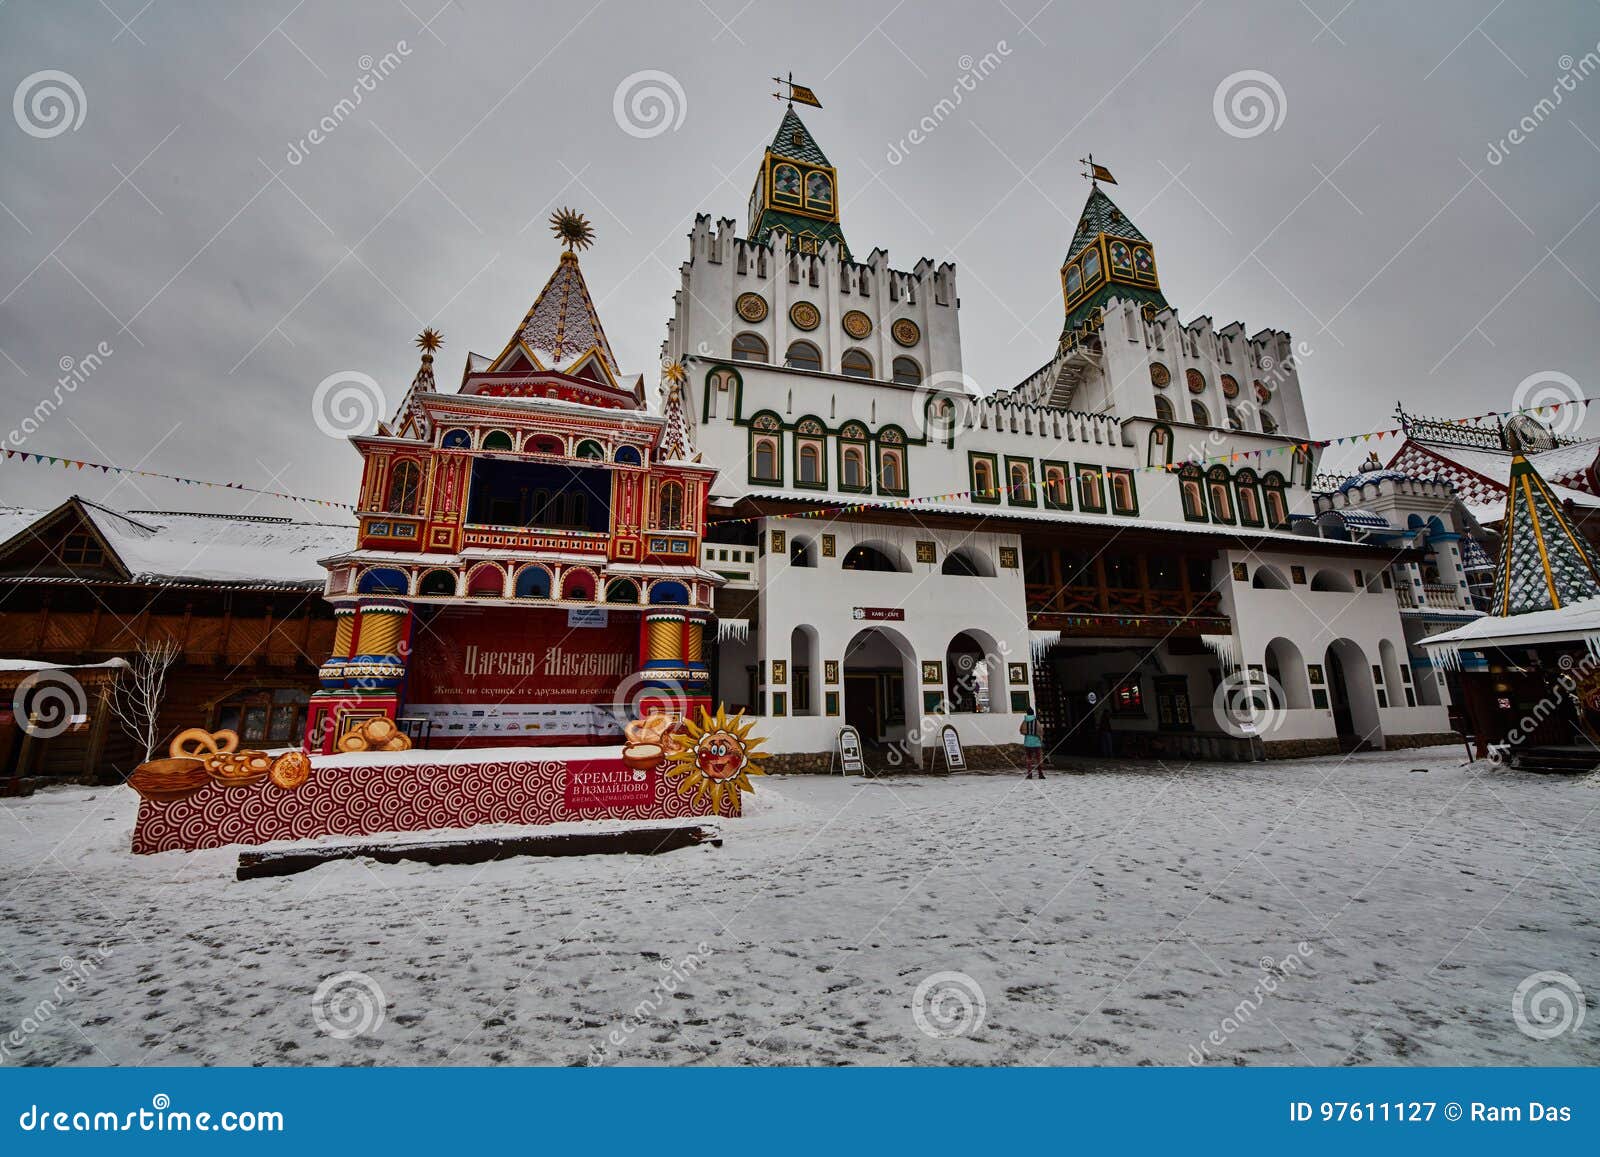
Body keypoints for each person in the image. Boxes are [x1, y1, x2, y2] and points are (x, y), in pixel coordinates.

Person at [1020, 701, 1044, 779]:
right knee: (1038, 759)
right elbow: (1041, 731)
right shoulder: (1036, 722)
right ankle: (1040, 774)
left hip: (1028, 743)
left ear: (1027, 713)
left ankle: (1029, 774)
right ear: (1033, 713)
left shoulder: (1024, 722)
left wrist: (1028, 733)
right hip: (1036, 743)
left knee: (1029, 759)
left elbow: (1021, 730)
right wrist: (1039, 737)